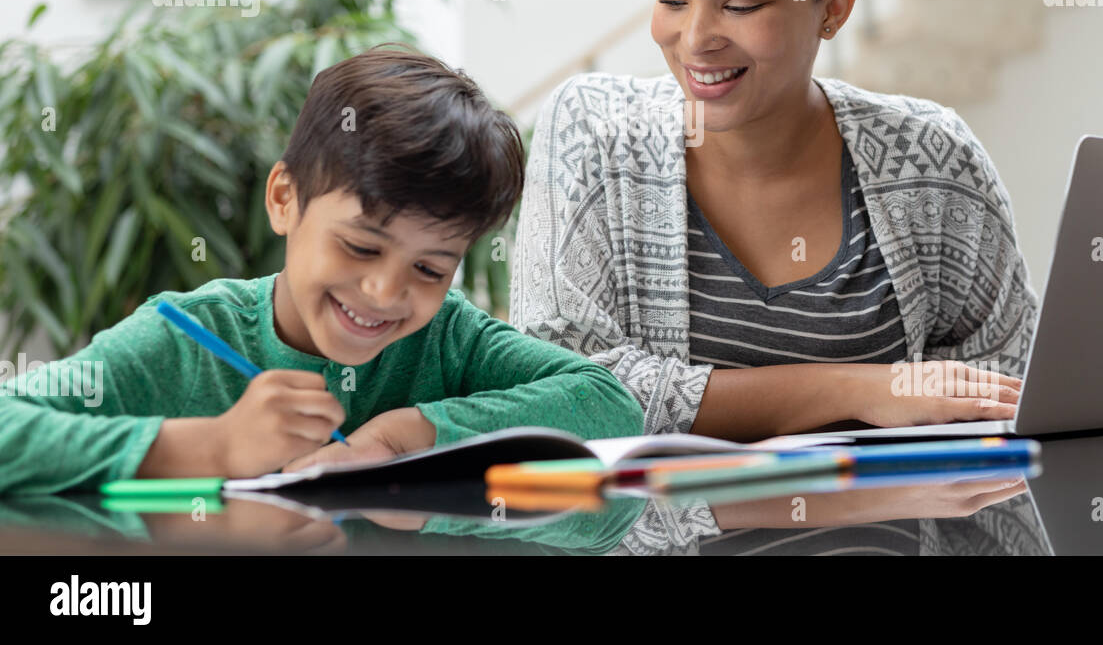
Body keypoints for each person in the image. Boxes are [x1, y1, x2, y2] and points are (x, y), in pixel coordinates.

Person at [511, 0, 1038, 443]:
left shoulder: (934, 159)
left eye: (740, 5)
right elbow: (561, 393)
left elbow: (1011, 376)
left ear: (832, 10)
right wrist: (863, 389)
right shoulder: (592, 131)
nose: (695, 38)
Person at [0, 46, 643, 493]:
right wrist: (211, 448)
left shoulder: (450, 338)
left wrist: (413, 435)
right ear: (284, 199)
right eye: (362, 247)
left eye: (430, 266)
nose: (386, 291)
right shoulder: (186, 339)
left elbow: (609, 406)